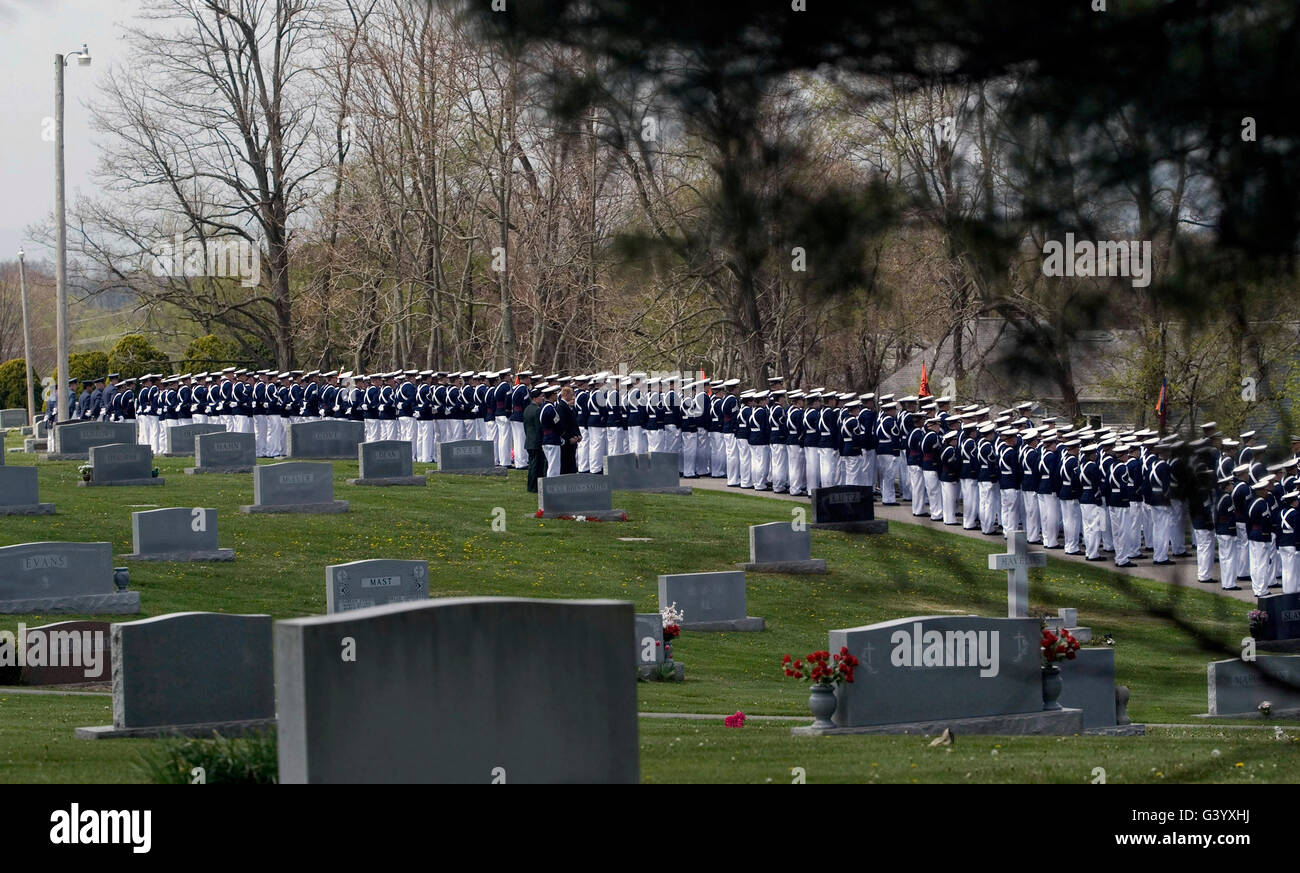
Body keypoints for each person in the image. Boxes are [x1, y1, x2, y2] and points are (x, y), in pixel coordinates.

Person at [523, 384, 546, 492]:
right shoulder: (537, 410)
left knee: (532, 465)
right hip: (536, 442)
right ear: (535, 398)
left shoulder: (527, 409)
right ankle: (534, 487)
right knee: (536, 466)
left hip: (529, 441)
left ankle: (531, 486)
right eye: (541, 396)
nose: (542, 398)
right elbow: (539, 428)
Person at [558, 385, 581, 474]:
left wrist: (578, 434)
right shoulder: (561, 407)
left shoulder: (569, 407)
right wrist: (568, 438)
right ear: (566, 395)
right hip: (567, 440)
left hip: (573, 438)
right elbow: (562, 425)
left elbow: (574, 423)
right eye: (571, 395)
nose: (573, 397)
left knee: (572, 459)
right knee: (566, 461)